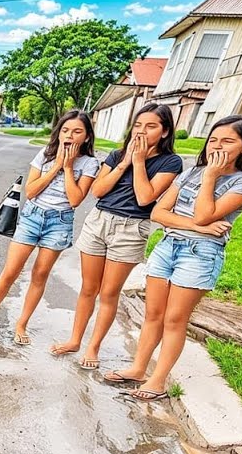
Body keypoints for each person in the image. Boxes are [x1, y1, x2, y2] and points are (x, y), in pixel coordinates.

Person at [106, 115, 242, 400]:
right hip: (168, 246)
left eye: (228, 141)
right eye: (213, 140)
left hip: (200, 254)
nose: (217, 146)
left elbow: (204, 213)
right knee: (153, 314)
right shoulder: (192, 172)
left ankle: (158, 381)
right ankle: (138, 369)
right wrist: (197, 226)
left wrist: (210, 178)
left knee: (174, 319)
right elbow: (158, 213)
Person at [50, 103, 184, 369]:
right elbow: (98, 191)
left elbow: (145, 197)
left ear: (165, 131)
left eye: (151, 126)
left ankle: (93, 347)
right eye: (138, 125)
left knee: (109, 293)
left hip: (131, 228)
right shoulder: (116, 155)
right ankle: (74, 340)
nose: (141, 131)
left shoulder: (171, 162)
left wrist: (139, 162)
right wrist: (124, 163)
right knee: (88, 288)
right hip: (99, 221)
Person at [0, 110, 100, 345]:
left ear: (87, 136)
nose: (69, 136)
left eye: (77, 131)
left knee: (40, 275)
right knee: (10, 271)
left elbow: (75, 199)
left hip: (59, 222)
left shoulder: (90, 163)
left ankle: (22, 324)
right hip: (32, 216)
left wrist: (68, 167)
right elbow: (31, 191)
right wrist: (56, 165)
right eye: (65, 130)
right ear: (59, 132)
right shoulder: (45, 154)